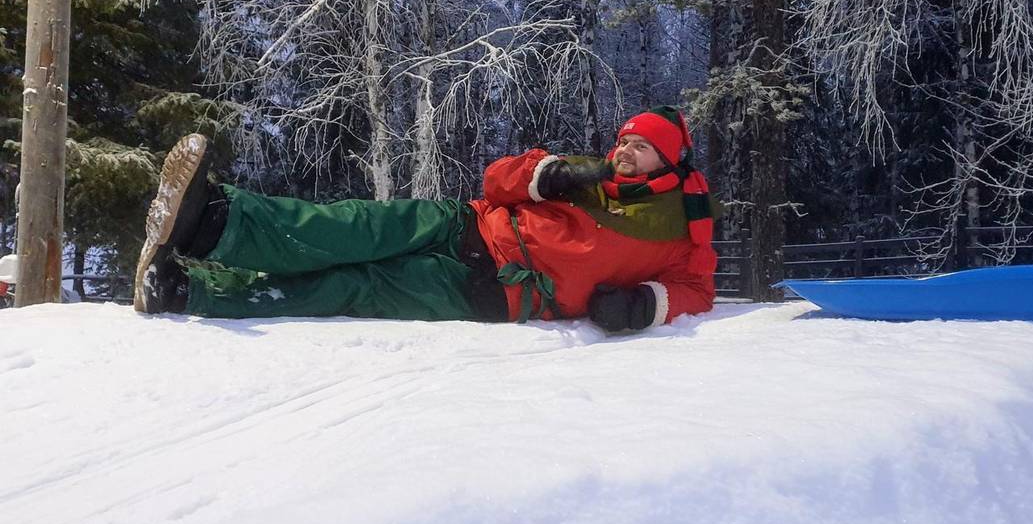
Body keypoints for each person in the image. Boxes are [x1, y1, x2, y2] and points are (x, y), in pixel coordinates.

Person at [133, 106, 720, 333]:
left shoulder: (682, 226)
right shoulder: (588, 173)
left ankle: (186, 290)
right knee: (348, 228)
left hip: (501, 290)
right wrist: (546, 173)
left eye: (641, 148)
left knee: (353, 287)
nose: (623, 152)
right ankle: (209, 221)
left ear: (672, 158)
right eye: (623, 142)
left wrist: (647, 305)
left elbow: (697, 288)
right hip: (466, 223)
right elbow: (496, 181)